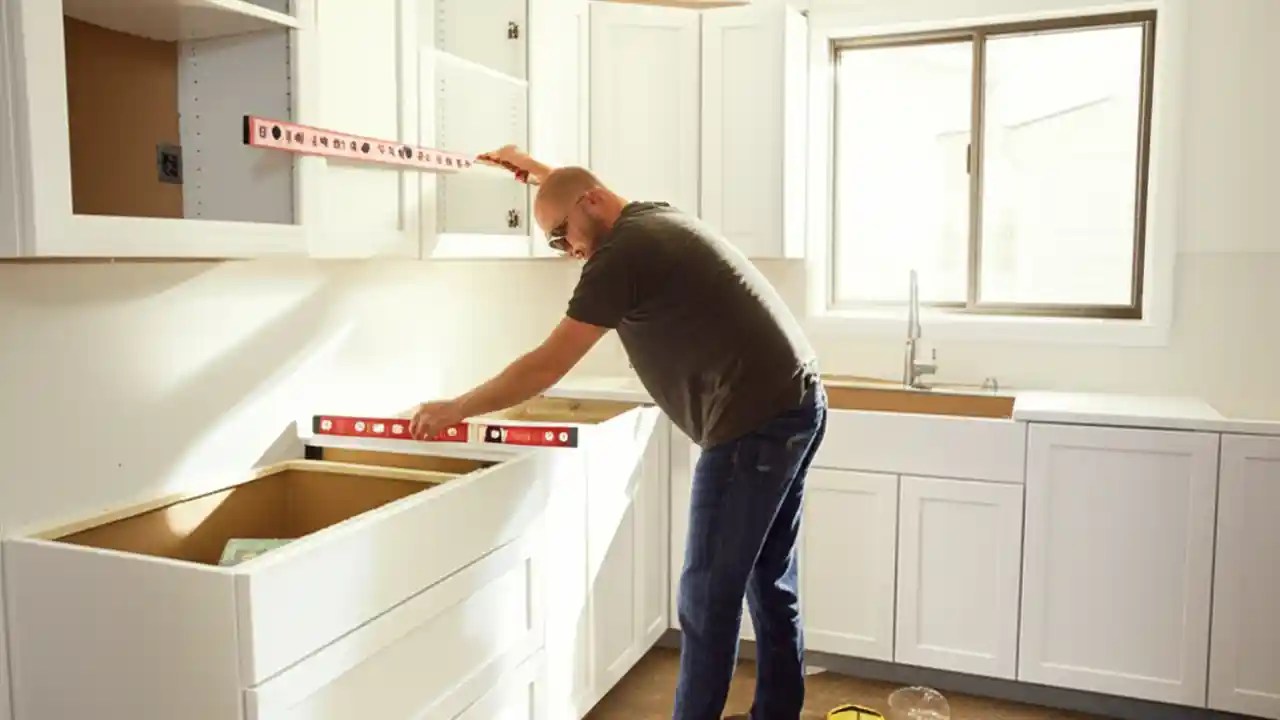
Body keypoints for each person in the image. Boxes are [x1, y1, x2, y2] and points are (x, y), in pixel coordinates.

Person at [410, 146, 827, 720]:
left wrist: (457, 408)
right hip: (797, 401)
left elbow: (544, 366)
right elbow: (579, 192)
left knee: (707, 595)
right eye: (554, 242)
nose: (567, 250)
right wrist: (541, 175)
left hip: (752, 422)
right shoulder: (650, 217)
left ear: (593, 202)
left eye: (562, 235)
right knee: (769, 578)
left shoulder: (620, 254)